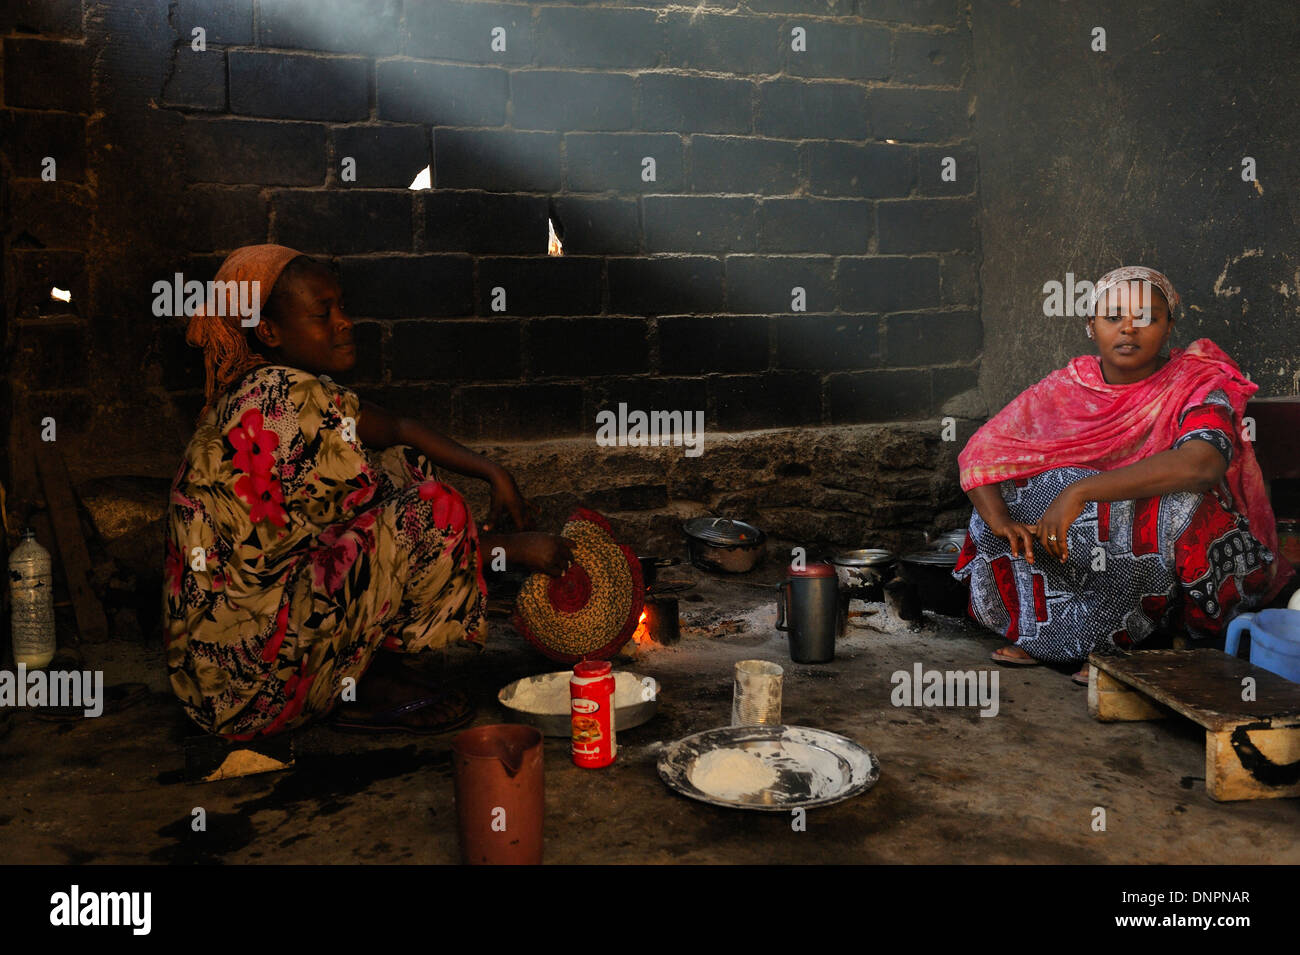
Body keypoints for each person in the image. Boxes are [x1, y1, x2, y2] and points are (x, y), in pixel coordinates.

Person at [163, 244, 575, 738]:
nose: (344, 322)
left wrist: (495, 473)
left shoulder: (259, 391)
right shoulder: (291, 398)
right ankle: (359, 685)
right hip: (258, 689)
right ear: (268, 331)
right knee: (433, 507)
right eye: (323, 313)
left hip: (212, 686)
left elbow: (395, 427)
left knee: (404, 468)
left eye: (342, 307)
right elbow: (416, 530)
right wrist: (514, 549)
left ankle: (360, 667)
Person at [952, 266, 1294, 683]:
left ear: (1168, 328)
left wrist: (1080, 491)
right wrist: (1002, 520)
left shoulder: (1198, 384)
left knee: (1176, 505)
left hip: (1180, 547)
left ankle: (1146, 645)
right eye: (1113, 317)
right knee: (1010, 497)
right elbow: (982, 454)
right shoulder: (1066, 387)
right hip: (1090, 540)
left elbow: (1202, 464)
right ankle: (1049, 637)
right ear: (1091, 327)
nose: (1128, 330)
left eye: (1146, 318)